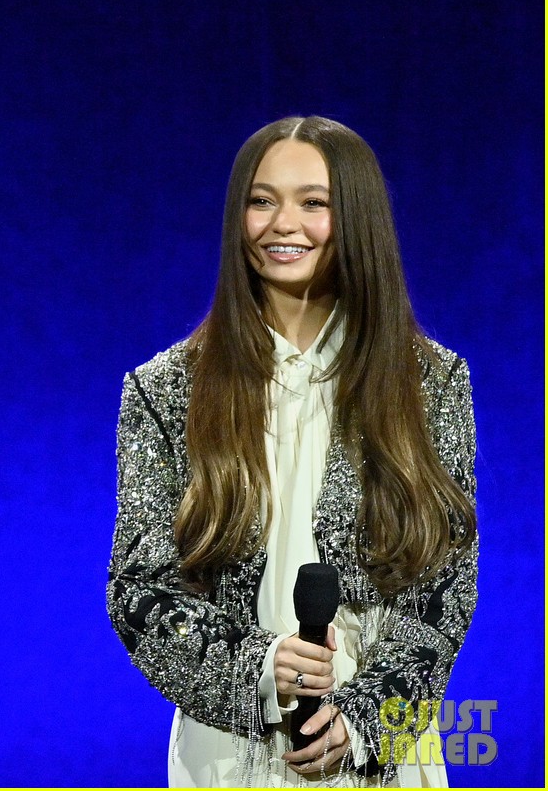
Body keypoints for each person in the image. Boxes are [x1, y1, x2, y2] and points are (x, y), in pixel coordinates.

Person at [106, 116, 478, 787]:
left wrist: (366, 725)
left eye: (314, 202)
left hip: (382, 759)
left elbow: (441, 596)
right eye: (261, 199)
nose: (284, 223)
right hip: (227, 750)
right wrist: (260, 668)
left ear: (356, 218)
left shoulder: (432, 384)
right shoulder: (165, 389)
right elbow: (140, 589)